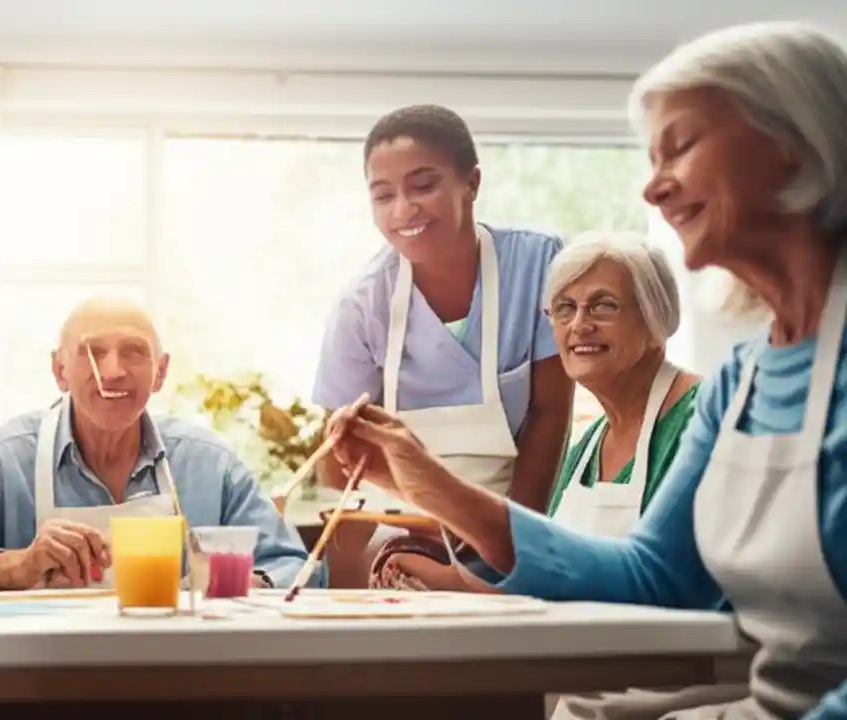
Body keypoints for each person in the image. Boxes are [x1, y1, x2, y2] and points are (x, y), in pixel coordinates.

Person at [330, 21, 847, 718]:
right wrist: (429, 483)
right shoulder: (743, 382)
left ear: (794, 145)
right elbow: (652, 575)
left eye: (682, 147)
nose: (654, 190)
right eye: (563, 309)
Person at [309, 104, 574, 586]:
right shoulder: (361, 306)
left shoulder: (539, 263)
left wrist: (513, 550)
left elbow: (550, 413)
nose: (402, 210)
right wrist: (344, 584)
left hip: (515, 522)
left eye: (423, 185)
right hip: (401, 537)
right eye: (382, 195)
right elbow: (338, 457)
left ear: (471, 183)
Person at [0, 296, 319, 591]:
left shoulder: (210, 463)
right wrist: (20, 566)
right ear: (60, 369)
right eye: (93, 352)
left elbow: (294, 566)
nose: (113, 371)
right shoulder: (4, 458)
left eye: (134, 352)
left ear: (161, 372)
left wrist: (252, 584)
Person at [373, 235, 701, 591]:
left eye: (603, 306)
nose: (579, 325)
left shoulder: (698, 418)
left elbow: (658, 583)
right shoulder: (588, 447)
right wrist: (440, 579)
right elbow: (550, 579)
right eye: (564, 308)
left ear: (656, 320)